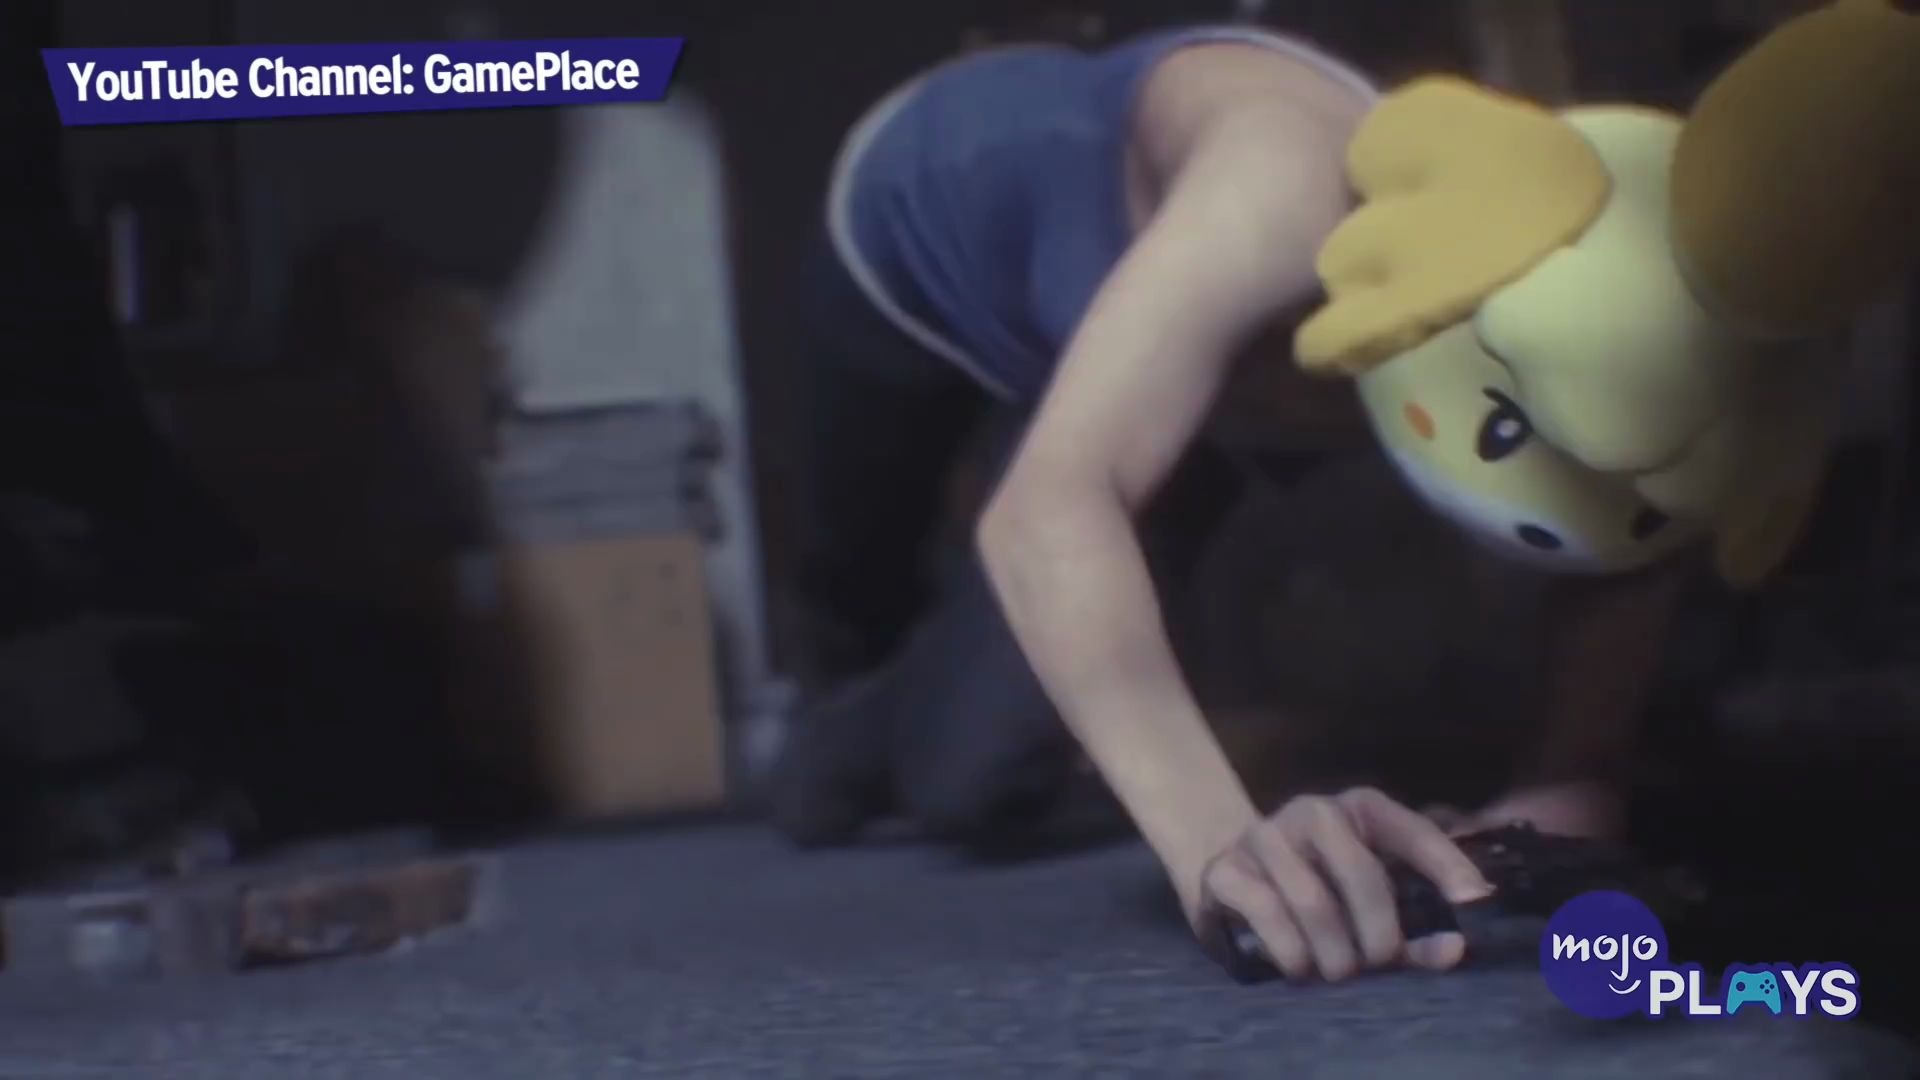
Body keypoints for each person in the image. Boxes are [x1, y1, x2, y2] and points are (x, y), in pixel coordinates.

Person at [769, 23, 1681, 982]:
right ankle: (839, 693)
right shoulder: (1280, 193)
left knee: (968, 782)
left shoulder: (1594, 286)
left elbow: (1636, 512)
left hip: (1188, 346)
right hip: (915, 223)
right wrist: (1219, 843)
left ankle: (890, 707)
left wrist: (1571, 770)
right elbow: (1046, 513)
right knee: (852, 589)